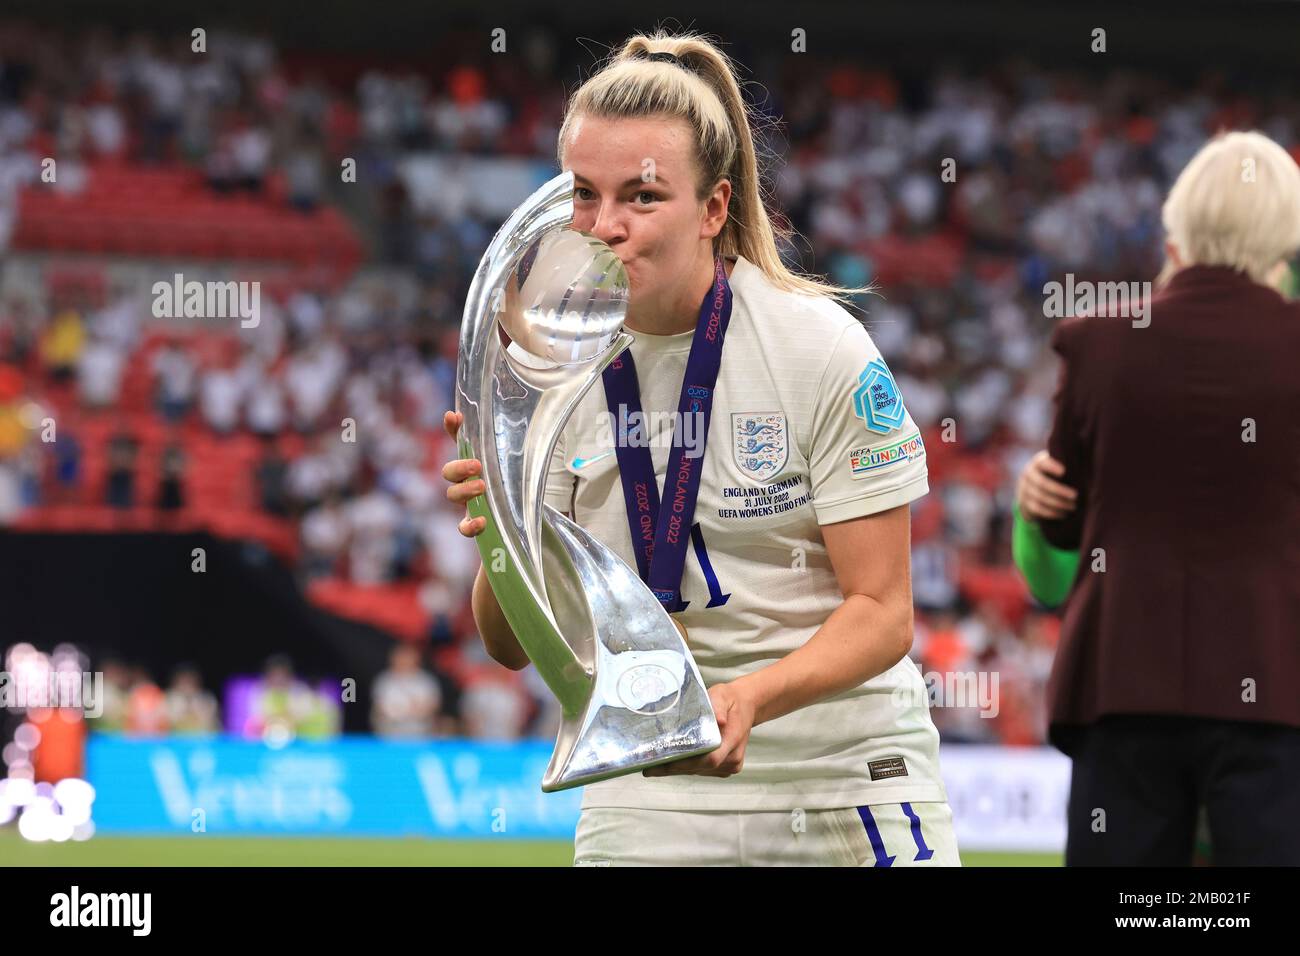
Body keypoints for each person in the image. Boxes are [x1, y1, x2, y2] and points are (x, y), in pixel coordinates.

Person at [440, 31, 956, 867]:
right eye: (582, 194)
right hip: (648, 786)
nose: (603, 226)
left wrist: (746, 698)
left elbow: (884, 610)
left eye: (641, 197)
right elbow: (508, 645)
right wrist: (503, 516)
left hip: (841, 773)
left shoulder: (817, 348)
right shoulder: (543, 369)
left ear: (713, 209)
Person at [1030, 130, 1300, 866]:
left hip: (1125, 681)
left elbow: (1058, 527)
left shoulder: (1095, 341)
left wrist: (1037, 501)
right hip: (1279, 687)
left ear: (1179, 222)